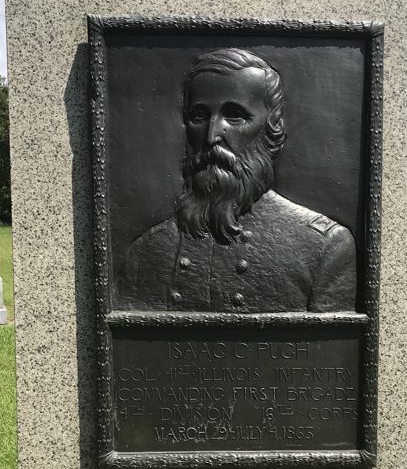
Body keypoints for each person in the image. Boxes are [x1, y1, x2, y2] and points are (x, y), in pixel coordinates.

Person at [115, 48, 356, 312]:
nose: (211, 136)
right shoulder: (147, 252)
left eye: (235, 116)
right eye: (199, 117)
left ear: (271, 129)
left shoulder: (323, 248)